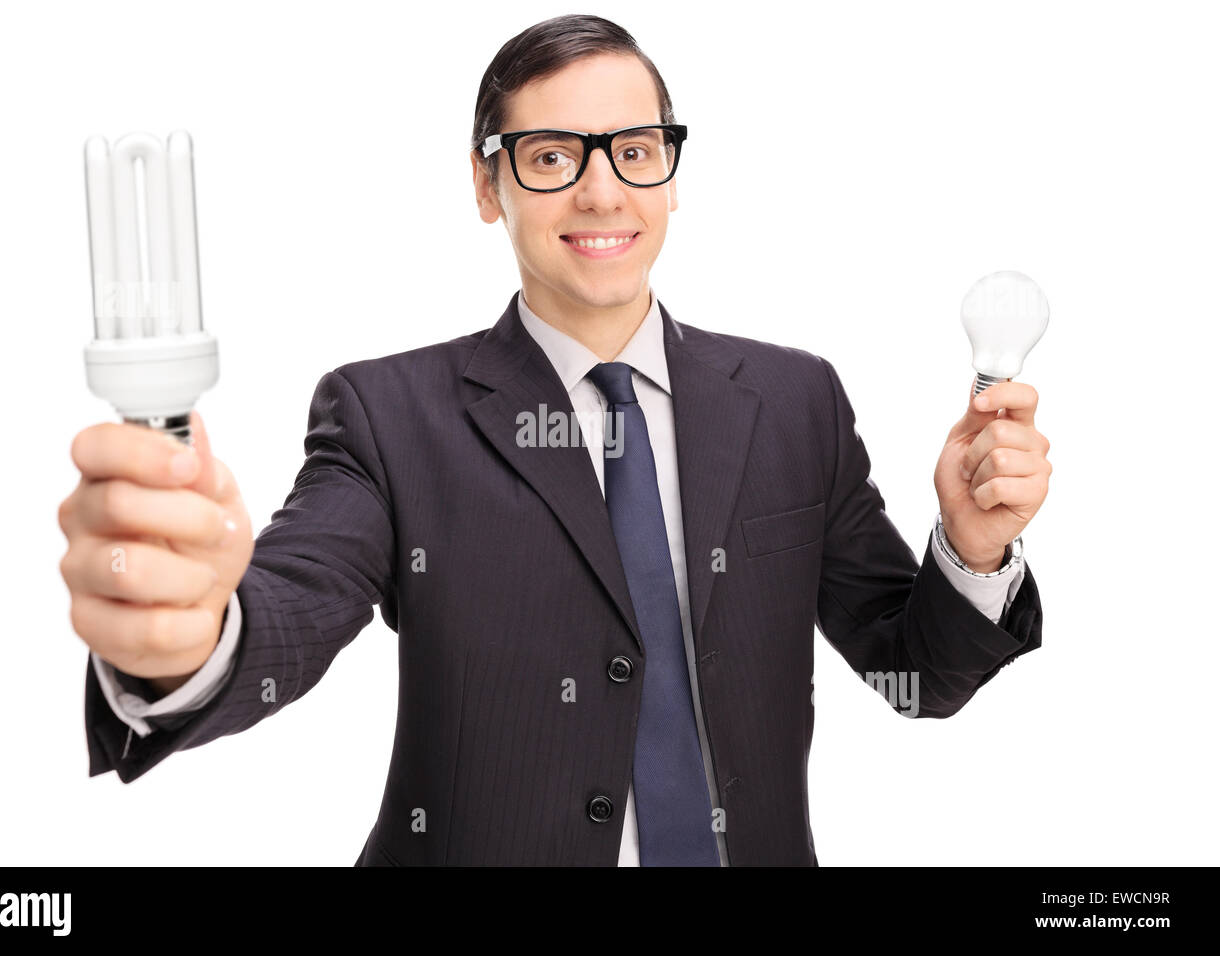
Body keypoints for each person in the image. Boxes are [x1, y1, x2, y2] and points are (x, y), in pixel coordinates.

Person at [58, 14, 1049, 866]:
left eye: (634, 148)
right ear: (489, 187)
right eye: (549, 156)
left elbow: (910, 670)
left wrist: (971, 549)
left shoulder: (795, 400)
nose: (603, 191)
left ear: (669, 173)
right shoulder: (388, 412)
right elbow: (293, 599)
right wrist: (189, 636)